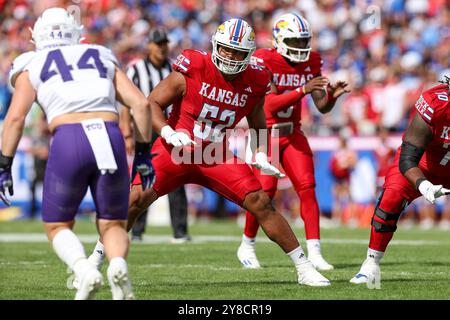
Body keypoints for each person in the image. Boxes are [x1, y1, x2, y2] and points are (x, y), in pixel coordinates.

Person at [89, 18, 331, 287]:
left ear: (248, 54)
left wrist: (261, 153)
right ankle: (95, 260)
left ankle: (304, 267)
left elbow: (258, 122)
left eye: (237, 51)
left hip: (215, 155)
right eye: (226, 49)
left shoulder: (256, 79)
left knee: (261, 202)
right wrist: (169, 133)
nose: (230, 55)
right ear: (216, 46)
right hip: (176, 150)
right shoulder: (194, 66)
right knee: (135, 199)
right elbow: (152, 103)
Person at [0, 8, 154, 300]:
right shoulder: (100, 54)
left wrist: (4, 163)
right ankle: (118, 265)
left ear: (38, 35)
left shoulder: (31, 62)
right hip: (109, 135)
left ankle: (83, 270)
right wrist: (145, 154)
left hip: (69, 137)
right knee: (112, 223)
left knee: (57, 224)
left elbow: (15, 118)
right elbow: (142, 106)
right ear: (76, 32)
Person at [237, 13, 350, 270]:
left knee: (308, 187)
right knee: (264, 194)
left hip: (293, 132)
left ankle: (315, 251)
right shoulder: (265, 60)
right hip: (265, 133)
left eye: (303, 41)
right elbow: (269, 104)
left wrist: (331, 95)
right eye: (294, 42)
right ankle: (247, 244)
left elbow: (321, 106)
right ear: (279, 40)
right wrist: (302, 90)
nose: (300, 48)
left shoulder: (312, 61)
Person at [350, 77, 450, 284]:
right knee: (391, 198)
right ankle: (371, 264)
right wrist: (423, 184)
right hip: (422, 165)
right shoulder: (435, 102)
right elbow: (407, 158)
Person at [121, 27, 190, 243]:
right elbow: (125, 103)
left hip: (170, 129)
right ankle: (138, 231)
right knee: (143, 178)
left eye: (164, 43)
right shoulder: (136, 69)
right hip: (144, 130)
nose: (161, 47)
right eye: (157, 43)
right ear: (149, 45)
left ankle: (180, 231)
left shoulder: (174, 69)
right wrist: (126, 132)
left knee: (176, 178)